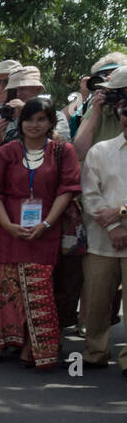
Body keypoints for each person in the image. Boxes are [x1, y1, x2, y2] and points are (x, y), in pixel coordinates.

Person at [0, 98, 82, 370]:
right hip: (6, 230)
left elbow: (67, 190)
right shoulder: (7, 151)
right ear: (20, 122)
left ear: (50, 122)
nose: (34, 125)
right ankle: (0, 341)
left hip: (44, 231)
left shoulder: (63, 151)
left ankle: (34, 346)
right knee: (4, 291)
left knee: (38, 291)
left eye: (41, 119)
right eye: (29, 119)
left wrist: (47, 224)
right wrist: (8, 225)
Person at [77, 97, 127, 378]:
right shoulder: (101, 150)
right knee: (96, 302)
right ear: (119, 115)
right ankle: (94, 353)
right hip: (101, 240)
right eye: (125, 117)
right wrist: (113, 227)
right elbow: (89, 193)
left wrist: (120, 212)